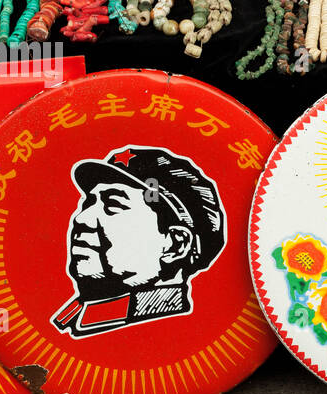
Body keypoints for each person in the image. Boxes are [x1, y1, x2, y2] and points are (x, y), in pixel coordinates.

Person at [51, 145, 225, 338]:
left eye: (113, 204)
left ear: (176, 245)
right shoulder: (71, 321)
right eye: (88, 203)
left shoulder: (170, 336)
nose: (81, 218)